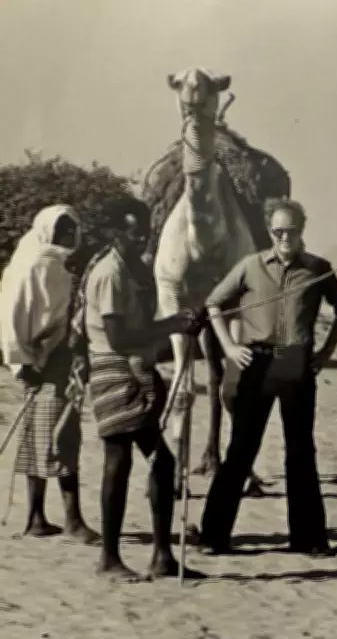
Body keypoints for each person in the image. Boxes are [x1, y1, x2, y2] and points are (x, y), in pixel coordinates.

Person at [192, 199, 337, 556]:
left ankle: (308, 540)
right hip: (256, 365)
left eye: (291, 231)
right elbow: (213, 304)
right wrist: (230, 348)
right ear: (270, 231)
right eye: (277, 231)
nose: (284, 237)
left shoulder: (317, 268)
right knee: (240, 450)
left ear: (302, 230)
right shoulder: (250, 266)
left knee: (300, 452)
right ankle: (213, 537)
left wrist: (326, 354)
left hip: (296, 367)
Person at [73, 195, 205, 582]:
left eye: (146, 233)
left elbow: (144, 330)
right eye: (135, 233)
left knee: (156, 463)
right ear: (116, 233)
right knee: (121, 460)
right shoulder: (110, 272)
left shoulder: (135, 269)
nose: (142, 240)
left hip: (137, 369)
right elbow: (118, 336)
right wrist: (172, 326)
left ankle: (161, 556)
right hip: (114, 371)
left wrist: (181, 325)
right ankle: (110, 559)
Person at [0, 204, 98, 543]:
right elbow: (13, 313)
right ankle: (71, 520)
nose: (70, 237)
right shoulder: (37, 265)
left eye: (72, 230)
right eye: (63, 231)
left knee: (39, 435)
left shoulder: (47, 262)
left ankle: (37, 517)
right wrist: (23, 361)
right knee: (60, 434)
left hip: (50, 355)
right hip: (43, 359)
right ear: (48, 231)